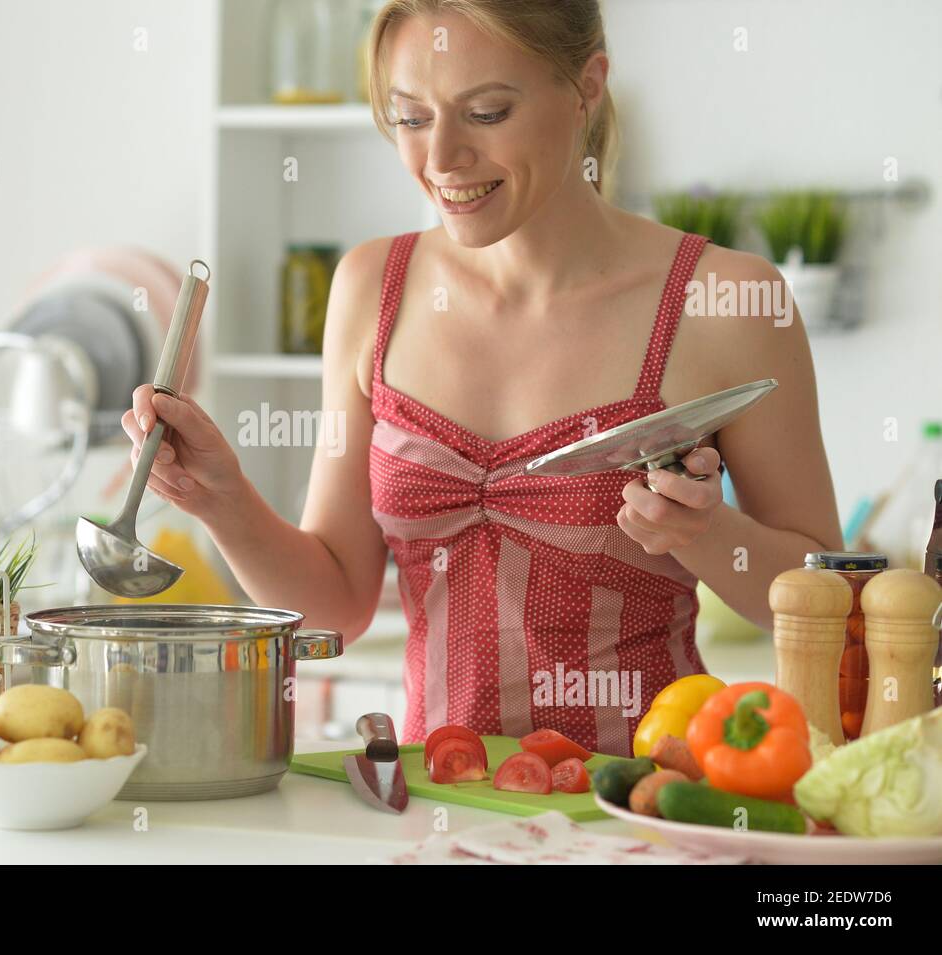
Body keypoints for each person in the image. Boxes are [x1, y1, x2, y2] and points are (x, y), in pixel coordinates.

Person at [121, 0, 842, 754]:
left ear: (587, 87)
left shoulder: (720, 302)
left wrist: (705, 530)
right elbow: (337, 602)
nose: (441, 159)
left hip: (644, 811)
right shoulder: (372, 286)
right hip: (437, 809)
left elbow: (830, 600)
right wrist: (221, 498)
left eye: (487, 112)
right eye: (410, 118)